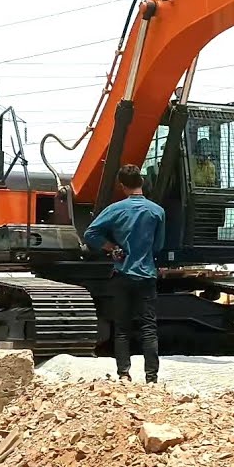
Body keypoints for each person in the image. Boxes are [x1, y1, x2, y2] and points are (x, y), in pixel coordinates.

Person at [82, 164, 165, 383]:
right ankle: (151, 378)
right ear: (142, 182)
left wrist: (111, 247)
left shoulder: (115, 209)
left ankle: (124, 374)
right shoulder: (157, 211)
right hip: (146, 275)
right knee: (149, 328)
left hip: (122, 275)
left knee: (122, 328)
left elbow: (90, 233)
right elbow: (158, 246)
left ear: (122, 186)